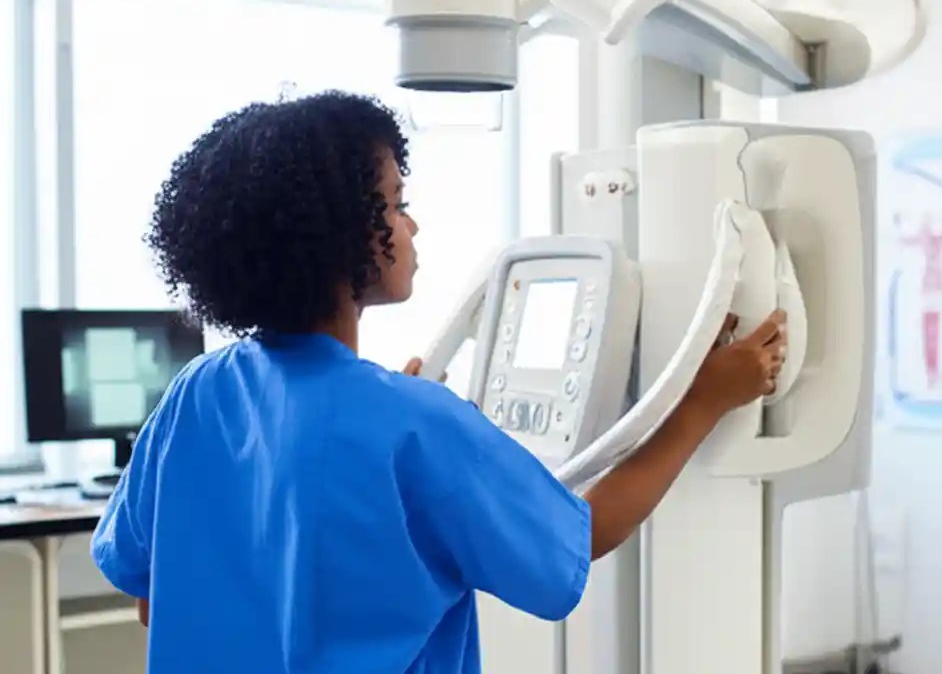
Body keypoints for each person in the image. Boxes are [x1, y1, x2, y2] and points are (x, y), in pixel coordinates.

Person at [90, 91, 787, 673]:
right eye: (394, 204)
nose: (411, 222)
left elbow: (155, 595)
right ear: (340, 236)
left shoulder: (196, 393)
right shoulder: (412, 422)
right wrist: (704, 400)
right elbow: (582, 538)